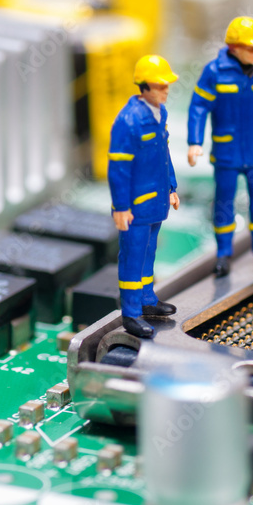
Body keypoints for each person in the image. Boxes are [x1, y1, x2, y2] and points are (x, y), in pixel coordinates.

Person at [188, 16, 253, 277]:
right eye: (252, 48)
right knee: (224, 202)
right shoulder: (215, 72)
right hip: (227, 153)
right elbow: (199, 107)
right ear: (234, 48)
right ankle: (223, 254)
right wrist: (195, 142)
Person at [108, 55, 180, 339]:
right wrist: (120, 207)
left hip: (157, 201)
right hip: (135, 206)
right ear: (144, 86)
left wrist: (171, 188)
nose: (166, 91)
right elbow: (118, 168)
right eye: (160, 86)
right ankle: (131, 312)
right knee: (133, 257)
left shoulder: (160, 115)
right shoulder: (128, 121)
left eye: (166, 85)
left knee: (149, 253)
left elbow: (164, 156)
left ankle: (147, 299)